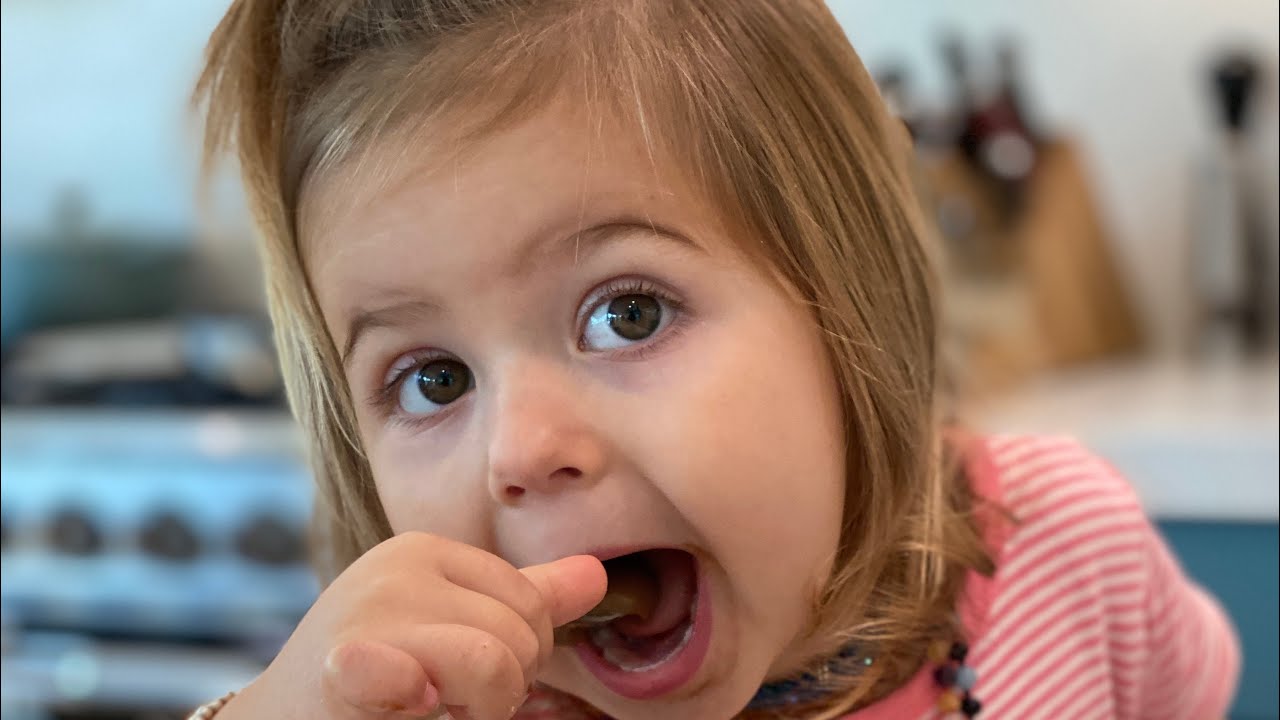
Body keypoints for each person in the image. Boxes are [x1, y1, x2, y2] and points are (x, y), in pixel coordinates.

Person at [190, 2, 1240, 718]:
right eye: (434, 380)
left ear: (845, 309)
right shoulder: (435, 703)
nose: (519, 449)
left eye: (629, 313)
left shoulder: (1062, 543)